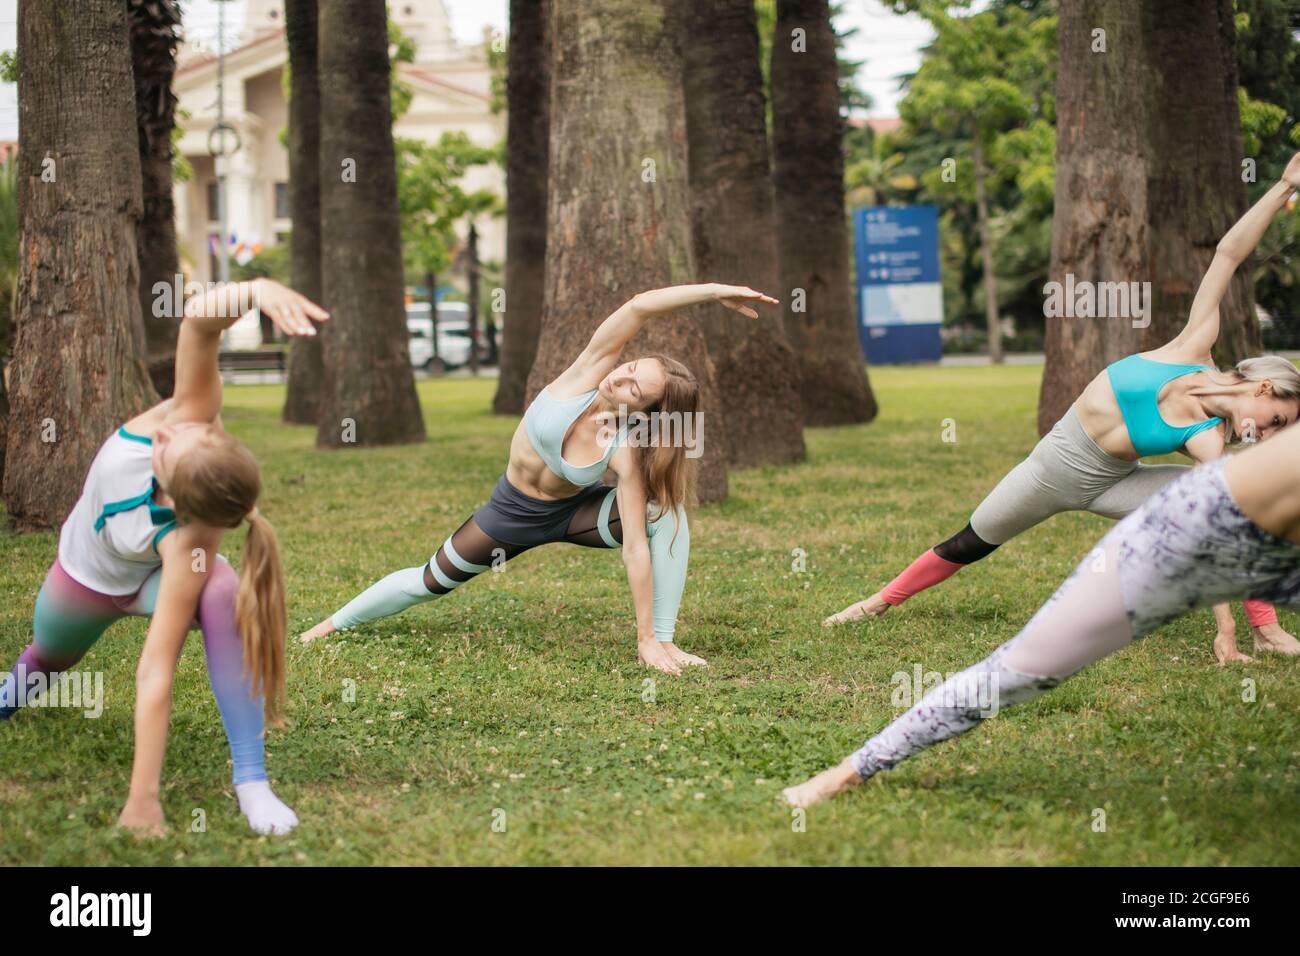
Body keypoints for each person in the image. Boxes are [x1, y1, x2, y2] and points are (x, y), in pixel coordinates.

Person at [827, 153, 1300, 663]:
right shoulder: (1193, 346)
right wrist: (1283, 187)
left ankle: (1263, 629)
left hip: (1117, 483)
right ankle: (874, 604)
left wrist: (1223, 633)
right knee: (970, 542)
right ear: (1264, 389)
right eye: (1277, 422)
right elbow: (1227, 256)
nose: (1267, 435)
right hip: (1055, 469)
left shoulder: (1207, 436)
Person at [787, 418, 1300, 809]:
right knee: (1018, 672)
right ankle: (852, 769)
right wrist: (1226, 630)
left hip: (1273, 546)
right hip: (1176, 540)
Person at [301, 283, 778, 675]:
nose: (621, 380)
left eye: (636, 388)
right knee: (428, 581)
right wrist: (713, 292)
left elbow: (635, 546)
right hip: (510, 513)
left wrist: (647, 639)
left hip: (574, 515)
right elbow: (637, 307)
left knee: (665, 513)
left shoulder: (625, 447)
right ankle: (330, 625)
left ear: (648, 412)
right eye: (631, 368)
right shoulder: (585, 375)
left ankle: (667, 643)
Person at [1, 278, 327, 835]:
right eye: (188, 433)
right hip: (87, 581)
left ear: (175, 500)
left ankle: (252, 780)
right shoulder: (191, 415)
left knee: (221, 589)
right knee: (48, 659)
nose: (169, 432)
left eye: (171, 450)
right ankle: (8, 697)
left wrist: (143, 798)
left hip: (155, 580)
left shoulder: (189, 540)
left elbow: (156, 670)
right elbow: (199, 321)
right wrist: (256, 290)